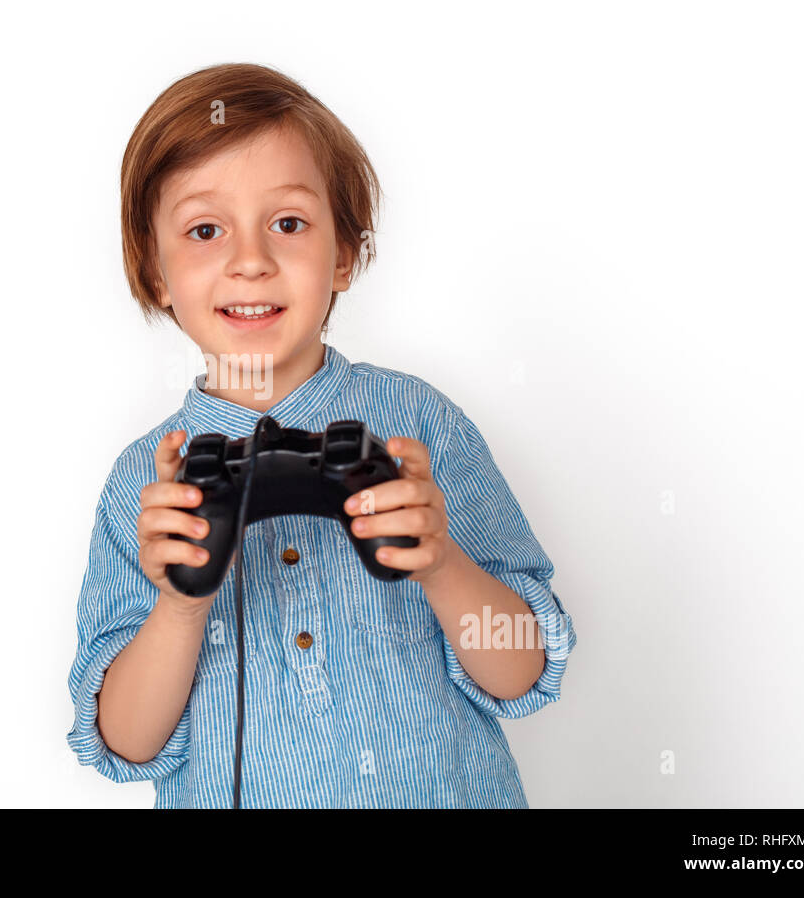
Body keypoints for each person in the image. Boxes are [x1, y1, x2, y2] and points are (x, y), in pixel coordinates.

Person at [66, 62, 577, 807]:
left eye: (289, 223)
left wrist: (440, 564)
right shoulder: (143, 482)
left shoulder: (418, 425)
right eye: (205, 230)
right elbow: (125, 744)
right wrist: (180, 602)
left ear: (344, 254)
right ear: (153, 272)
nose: (250, 260)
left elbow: (525, 671)